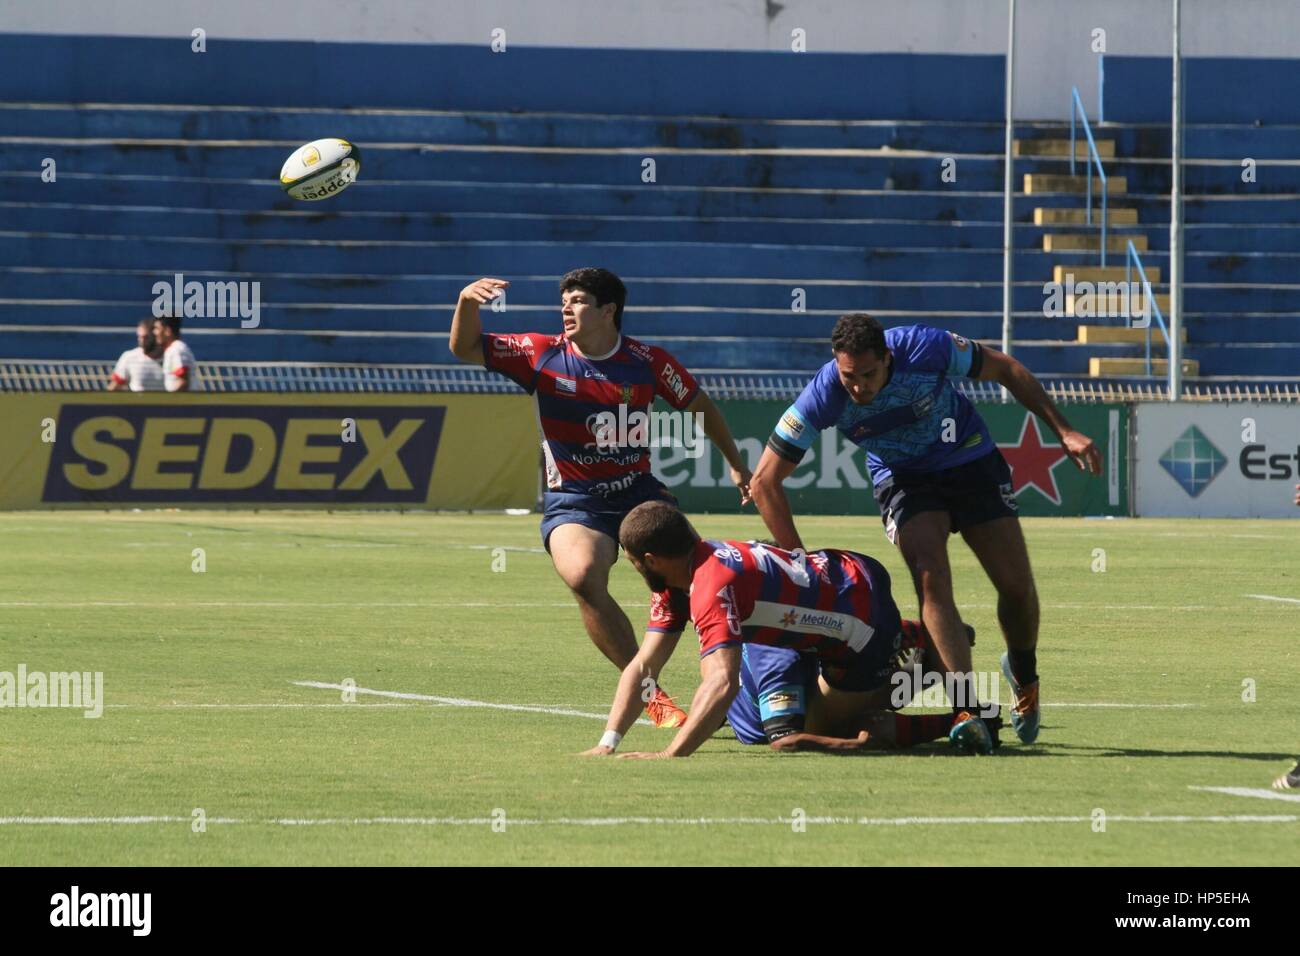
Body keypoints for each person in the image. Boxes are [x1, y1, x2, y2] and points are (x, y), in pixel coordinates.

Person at [749, 314, 1102, 744]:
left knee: (1016, 588)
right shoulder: (824, 393)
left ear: (887, 357)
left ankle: (1023, 674)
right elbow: (764, 480)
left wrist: (1063, 430)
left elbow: (1005, 368)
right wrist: (802, 566)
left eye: (868, 374)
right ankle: (966, 710)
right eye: (849, 377)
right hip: (903, 480)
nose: (858, 387)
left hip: (970, 459)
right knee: (931, 575)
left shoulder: (925, 347)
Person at [448, 268, 752, 728]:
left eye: (579, 301)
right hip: (574, 500)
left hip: (639, 495)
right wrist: (467, 303)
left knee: (699, 582)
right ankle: (650, 694)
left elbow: (700, 406)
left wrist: (735, 462)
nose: (566, 308)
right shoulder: (540, 353)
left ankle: (741, 688)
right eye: (564, 300)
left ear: (608, 310)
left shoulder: (648, 362)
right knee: (583, 574)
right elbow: (465, 348)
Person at [581, 500, 994, 758]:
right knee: (807, 709)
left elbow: (721, 683)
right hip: (845, 573)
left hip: (858, 619)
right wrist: (609, 741)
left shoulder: (710, 586)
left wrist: (672, 754)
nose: (632, 568)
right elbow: (643, 666)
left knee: (827, 728)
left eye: (632, 561)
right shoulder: (682, 579)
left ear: (649, 559)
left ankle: (955, 705)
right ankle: (922, 638)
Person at [107, 319, 164, 391]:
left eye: (146, 337)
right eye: (139, 337)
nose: (142, 341)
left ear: (155, 335)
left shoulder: (170, 355)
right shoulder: (129, 357)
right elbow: (114, 386)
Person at [153, 315, 196, 392]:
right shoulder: (173, 349)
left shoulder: (176, 350)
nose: (154, 332)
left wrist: (169, 401)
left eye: (157, 328)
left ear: (167, 331)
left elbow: (183, 383)